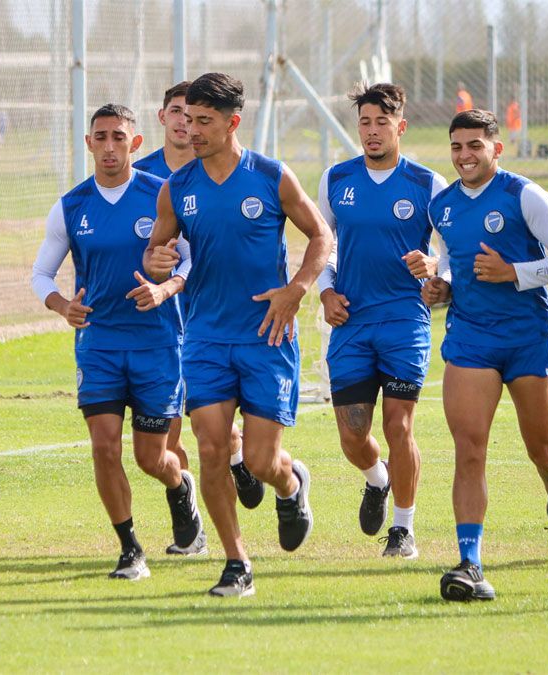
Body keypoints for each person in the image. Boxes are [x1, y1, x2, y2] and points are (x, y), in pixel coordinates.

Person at [144, 73, 333, 597]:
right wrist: (157, 261)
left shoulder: (271, 177)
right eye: (187, 119)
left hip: (266, 336)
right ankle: (236, 562)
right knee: (209, 449)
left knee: (259, 462)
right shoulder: (176, 188)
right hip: (204, 337)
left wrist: (298, 287)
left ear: (233, 122)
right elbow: (157, 254)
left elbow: (321, 234)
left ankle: (291, 483)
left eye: (205, 121)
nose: (192, 130)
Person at [31, 103, 206, 579]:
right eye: (100, 137)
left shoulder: (162, 195)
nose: (109, 147)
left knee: (151, 457)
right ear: (89, 143)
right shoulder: (71, 205)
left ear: (135, 144)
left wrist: (165, 287)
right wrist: (62, 306)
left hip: (157, 344)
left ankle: (180, 485)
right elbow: (41, 274)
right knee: (105, 447)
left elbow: (191, 262)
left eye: (118, 138)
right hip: (100, 344)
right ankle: (130, 549)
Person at [423, 109, 548, 602]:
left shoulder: (525, 195)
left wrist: (514, 272)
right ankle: (470, 563)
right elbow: (453, 259)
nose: (465, 156)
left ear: (497, 148)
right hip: (472, 337)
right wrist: (442, 285)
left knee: (545, 453)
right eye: (457, 147)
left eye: (475, 146)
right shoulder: (443, 205)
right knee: (469, 449)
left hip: (528, 339)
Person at [316, 82, 446, 559]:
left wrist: (435, 269)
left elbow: (452, 251)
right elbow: (322, 247)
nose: (371, 132)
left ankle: (403, 528)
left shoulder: (427, 185)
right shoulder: (335, 180)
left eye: (381, 123)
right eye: (365, 123)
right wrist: (326, 291)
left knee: (400, 427)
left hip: (404, 321)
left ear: (401, 128)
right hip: (350, 321)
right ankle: (378, 477)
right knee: (353, 434)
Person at [133, 81, 262, 512]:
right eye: (177, 112)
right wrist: (155, 265)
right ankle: (190, 523)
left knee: (211, 421)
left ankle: (239, 458)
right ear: (164, 117)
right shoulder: (146, 174)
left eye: (196, 117)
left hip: (210, 310)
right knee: (173, 426)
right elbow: (152, 245)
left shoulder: (226, 168)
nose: (185, 123)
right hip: (161, 317)